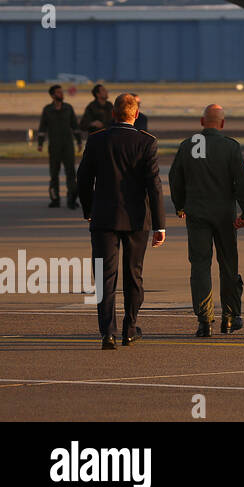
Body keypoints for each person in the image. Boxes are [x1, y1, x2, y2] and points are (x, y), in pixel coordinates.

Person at [75, 93, 165, 350]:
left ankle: (107, 333)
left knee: (105, 277)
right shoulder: (146, 142)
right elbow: (154, 185)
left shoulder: (96, 140)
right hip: (137, 219)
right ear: (136, 115)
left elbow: (83, 179)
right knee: (134, 275)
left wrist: (88, 208)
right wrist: (160, 224)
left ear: (113, 114)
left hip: (103, 218)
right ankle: (129, 328)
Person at [169, 104, 244, 337]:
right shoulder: (230, 147)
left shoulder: (187, 146)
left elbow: (175, 177)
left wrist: (180, 205)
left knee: (200, 266)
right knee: (228, 266)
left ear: (201, 121)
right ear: (223, 124)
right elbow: (242, 183)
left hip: (197, 214)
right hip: (224, 216)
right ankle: (229, 318)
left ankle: (204, 320)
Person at [37, 84, 81, 209]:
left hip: (68, 146)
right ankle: (55, 199)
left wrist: (78, 142)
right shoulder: (47, 110)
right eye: (58, 92)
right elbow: (42, 128)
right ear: (52, 95)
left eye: (61, 92)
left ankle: (71, 199)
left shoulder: (68, 108)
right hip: (54, 146)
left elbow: (75, 127)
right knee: (54, 173)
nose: (61, 94)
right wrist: (40, 143)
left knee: (71, 173)